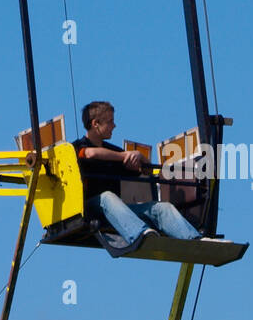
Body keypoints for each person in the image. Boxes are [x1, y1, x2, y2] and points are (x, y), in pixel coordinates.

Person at [76, 100, 201, 251]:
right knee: (107, 197)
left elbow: (146, 171)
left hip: (118, 212)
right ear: (95, 123)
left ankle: (193, 239)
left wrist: (140, 157)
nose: (114, 126)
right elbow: (90, 153)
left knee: (161, 208)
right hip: (91, 209)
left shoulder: (115, 152)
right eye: (110, 122)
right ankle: (141, 235)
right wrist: (124, 156)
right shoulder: (78, 146)